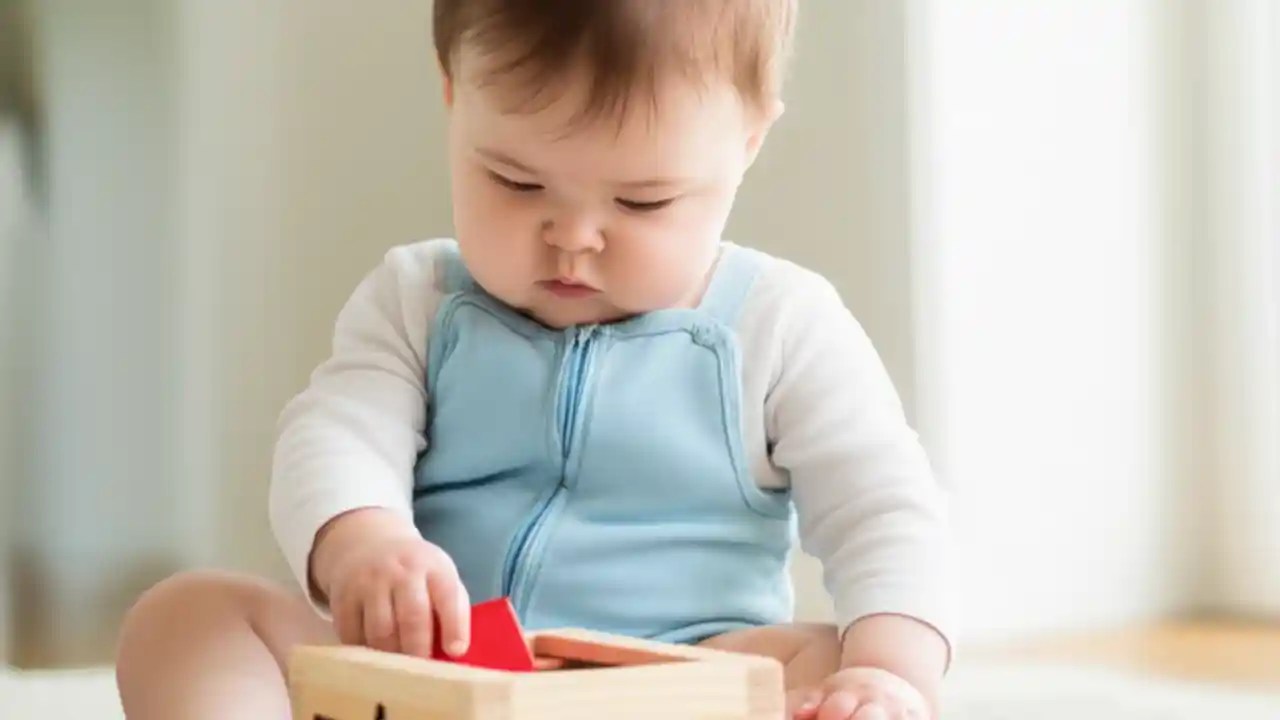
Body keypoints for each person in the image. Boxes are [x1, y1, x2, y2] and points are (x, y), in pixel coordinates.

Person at [116, 2, 953, 718]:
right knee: (191, 616)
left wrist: (886, 671)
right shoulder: (417, 301)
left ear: (748, 141)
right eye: (516, 182)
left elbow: (882, 506)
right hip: (434, 667)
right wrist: (363, 543)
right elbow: (335, 436)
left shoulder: (781, 327)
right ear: (453, 97)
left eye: (642, 201)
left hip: (673, 675)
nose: (573, 237)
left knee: (811, 664)